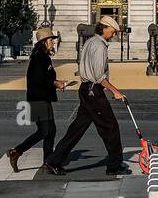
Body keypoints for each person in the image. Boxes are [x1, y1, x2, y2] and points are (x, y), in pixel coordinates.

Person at [45, 15, 131, 178]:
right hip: (93, 91)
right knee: (110, 127)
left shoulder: (90, 42)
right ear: (104, 28)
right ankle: (114, 165)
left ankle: (53, 161)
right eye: (113, 32)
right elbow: (99, 76)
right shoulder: (99, 46)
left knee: (77, 129)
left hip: (86, 89)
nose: (114, 36)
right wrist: (115, 91)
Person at [6, 27, 73, 171]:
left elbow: (45, 78)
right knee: (44, 131)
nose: (53, 43)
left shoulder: (43, 56)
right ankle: (16, 152)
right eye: (50, 40)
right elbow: (39, 80)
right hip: (37, 99)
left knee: (51, 131)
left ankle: (47, 162)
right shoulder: (39, 57)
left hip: (43, 98)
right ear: (43, 42)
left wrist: (57, 82)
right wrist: (56, 83)